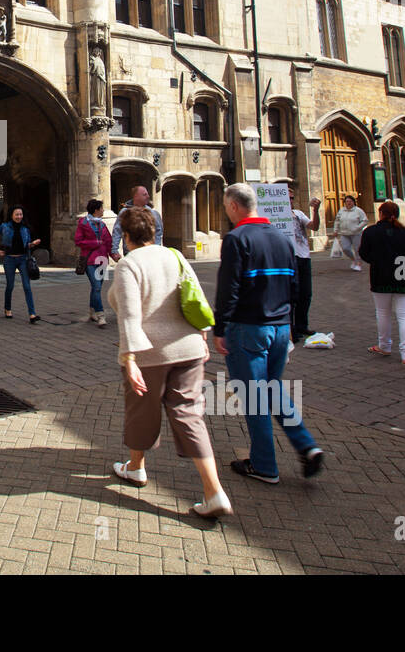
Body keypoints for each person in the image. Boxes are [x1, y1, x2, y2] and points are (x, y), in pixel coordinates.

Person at [109, 207, 232, 518]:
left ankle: (137, 468)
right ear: (153, 231)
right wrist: (202, 334)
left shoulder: (128, 265)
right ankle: (213, 490)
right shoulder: (175, 255)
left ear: (126, 237)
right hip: (188, 349)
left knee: (141, 412)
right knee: (189, 415)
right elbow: (195, 298)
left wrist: (129, 358)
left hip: (151, 353)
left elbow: (129, 315)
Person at [213, 182, 324, 483]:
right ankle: (307, 446)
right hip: (280, 327)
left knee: (254, 398)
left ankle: (264, 465)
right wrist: (289, 324)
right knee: (272, 389)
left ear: (235, 206)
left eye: (225, 207)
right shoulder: (281, 237)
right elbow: (295, 285)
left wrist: (220, 327)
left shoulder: (236, 239)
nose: (226, 212)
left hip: (249, 329)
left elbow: (229, 288)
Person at [357, 200, 405, 365]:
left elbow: (364, 254)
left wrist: (378, 261)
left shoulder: (371, 232)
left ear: (380, 214)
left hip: (381, 277)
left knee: (382, 313)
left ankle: (385, 346)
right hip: (403, 278)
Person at [0, 205, 43, 323]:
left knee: (27, 286)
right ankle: (7, 308)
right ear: (11, 215)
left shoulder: (25, 228)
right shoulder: (4, 226)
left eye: (20, 214)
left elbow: (26, 244)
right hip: (9, 259)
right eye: (17, 214)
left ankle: (32, 314)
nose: (19, 216)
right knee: (10, 285)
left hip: (23, 259)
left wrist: (32, 244)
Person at [74, 198, 114, 327]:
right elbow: (78, 241)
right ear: (96, 210)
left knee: (97, 287)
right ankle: (100, 315)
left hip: (102, 259)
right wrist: (94, 243)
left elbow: (108, 241)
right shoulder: (83, 223)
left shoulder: (102, 224)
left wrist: (114, 254)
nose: (103, 210)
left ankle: (92, 310)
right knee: (96, 286)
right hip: (90, 259)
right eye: (101, 208)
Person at [288, 195, 321, 340]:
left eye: (292, 197)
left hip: (304, 256)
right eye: (287, 197)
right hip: (289, 257)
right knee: (291, 295)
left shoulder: (299, 214)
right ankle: (290, 330)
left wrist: (315, 210)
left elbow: (314, 226)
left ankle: (302, 325)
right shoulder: (275, 215)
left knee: (305, 294)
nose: (290, 200)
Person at [110, 185, 163, 260]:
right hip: (130, 253)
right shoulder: (125, 212)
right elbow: (117, 231)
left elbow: (158, 231)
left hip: (148, 253)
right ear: (136, 196)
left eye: (147, 194)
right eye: (144, 194)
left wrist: (156, 247)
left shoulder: (152, 212)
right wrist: (114, 250)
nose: (148, 196)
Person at [332, 194, 368, 271]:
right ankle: (353, 259)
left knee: (357, 249)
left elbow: (365, 221)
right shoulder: (341, 211)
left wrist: (357, 228)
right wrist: (335, 230)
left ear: (353, 202)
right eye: (347, 201)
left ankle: (358, 264)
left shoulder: (358, 211)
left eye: (350, 201)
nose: (348, 203)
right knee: (345, 248)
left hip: (356, 233)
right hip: (344, 233)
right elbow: (337, 221)